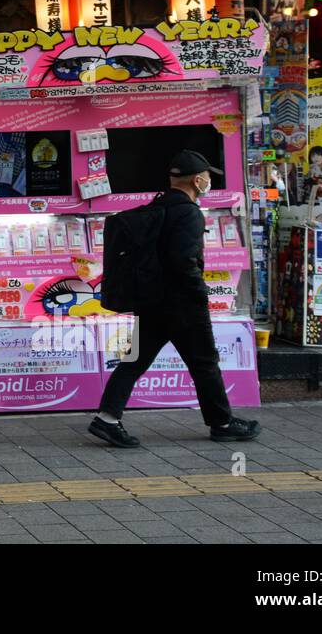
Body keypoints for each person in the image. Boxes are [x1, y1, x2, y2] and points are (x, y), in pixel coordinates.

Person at [89, 149, 261, 448]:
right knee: (205, 363)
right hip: (181, 305)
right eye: (207, 177)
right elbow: (184, 261)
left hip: (151, 301)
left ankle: (106, 419)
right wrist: (199, 295)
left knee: (134, 361)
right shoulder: (189, 213)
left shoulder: (157, 207)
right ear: (197, 180)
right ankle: (221, 423)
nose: (209, 181)